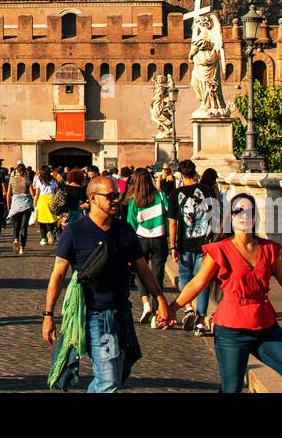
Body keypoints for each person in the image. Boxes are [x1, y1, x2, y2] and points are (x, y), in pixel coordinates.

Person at [168, 193, 282, 393]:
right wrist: (172, 308)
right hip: (231, 332)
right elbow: (197, 283)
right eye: (237, 211)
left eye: (249, 211)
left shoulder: (269, 249)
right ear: (230, 218)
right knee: (231, 389)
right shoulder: (220, 250)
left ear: (255, 217)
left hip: (266, 328)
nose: (243, 216)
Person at [42, 176, 170, 392]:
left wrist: (161, 300)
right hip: (97, 317)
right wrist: (48, 316)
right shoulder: (74, 231)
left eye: (117, 196)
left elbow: (143, 270)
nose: (115, 201)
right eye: (110, 196)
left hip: (122, 315)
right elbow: (57, 274)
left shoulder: (125, 230)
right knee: (108, 380)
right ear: (93, 198)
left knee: (114, 377)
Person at [122, 167, 176, 328]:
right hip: (159, 239)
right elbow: (167, 213)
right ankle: (156, 311)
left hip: (141, 239)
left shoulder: (134, 200)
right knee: (157, 276)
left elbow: (131, 224)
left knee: (140, 273)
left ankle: (145, 303)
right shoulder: (160, 195)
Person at [173, 161, 218, 334]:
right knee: (203, 280)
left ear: (181, 175)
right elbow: (216, 217)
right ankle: (200, 319)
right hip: (205, 245)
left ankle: (189, 308)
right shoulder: (206, 190)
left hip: (184, 245)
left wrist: (172, 246)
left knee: (185, 276)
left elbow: (173, 222)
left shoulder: (176, 194)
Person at [6, 162, 33, 254]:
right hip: (26, 204)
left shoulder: (12, 180)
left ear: (17, 170)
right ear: (25, 171)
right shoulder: (27, 180)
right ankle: (22, 247)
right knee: (24, 226)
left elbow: (8, 193)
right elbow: (32, 193)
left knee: (16, 226)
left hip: (15, 204)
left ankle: (15, 239)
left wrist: (8, 205)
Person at [31, 166, 58, 246]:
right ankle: (49, 232)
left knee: (42, 221)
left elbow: (37, 194)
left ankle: (43, 239)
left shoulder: (39, 181)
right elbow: (56, 192)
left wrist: (34, 203)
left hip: (42, 200)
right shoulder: (53, 180)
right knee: (51, 219)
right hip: (51, 200)